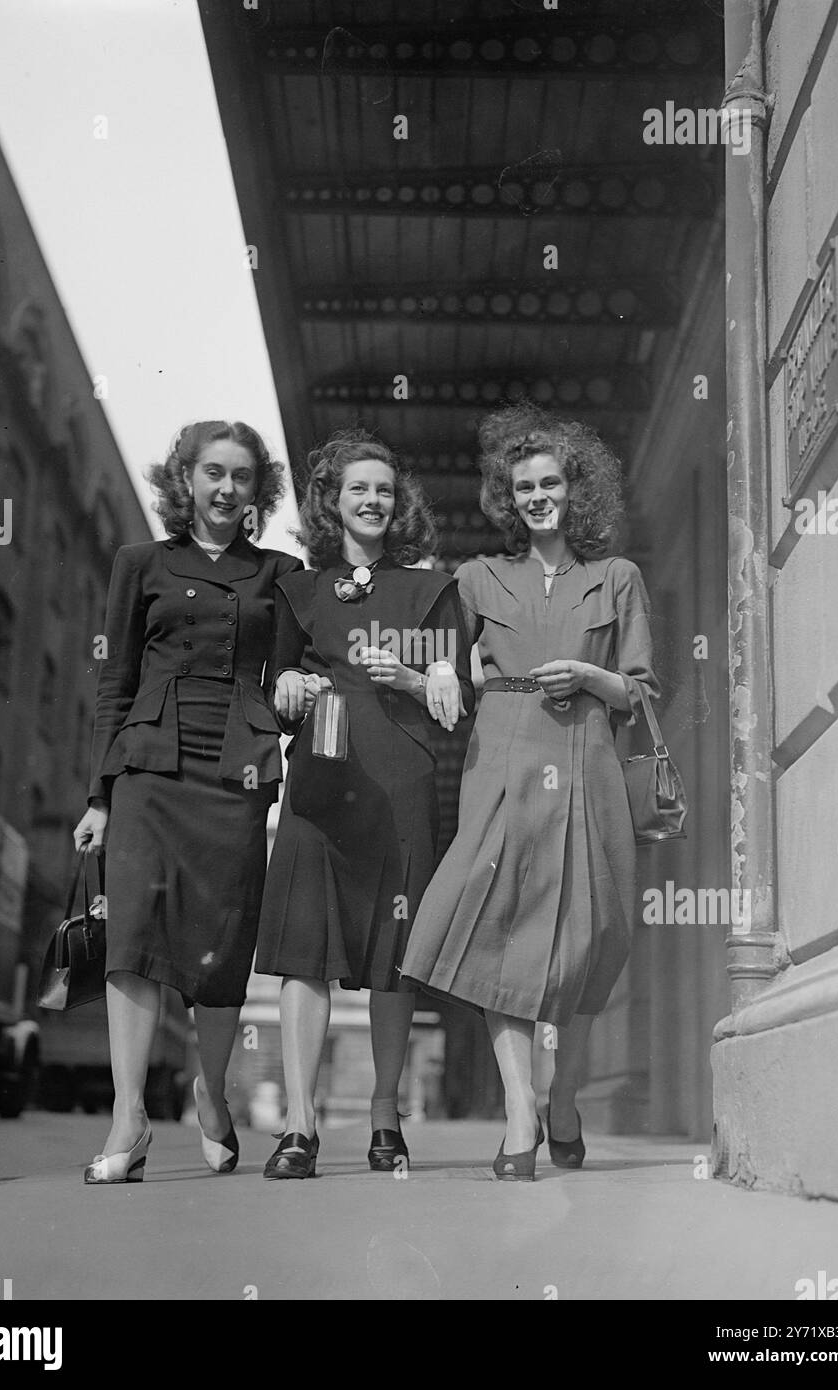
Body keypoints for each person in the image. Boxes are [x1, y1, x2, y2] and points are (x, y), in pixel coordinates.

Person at [401, 404, 660, 1180]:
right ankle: (520, 1113)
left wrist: (590, 675)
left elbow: (643, 690)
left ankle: (565, 1094)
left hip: (587, 758)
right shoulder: (479, 576)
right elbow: (438, 649)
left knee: (589, 939)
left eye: (550, 482)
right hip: (504, 760)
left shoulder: (617, 578)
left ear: (575, 490)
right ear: (506, 498)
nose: (537, 496)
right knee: (495, 928)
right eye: (523, 486)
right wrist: (446, 667)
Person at [72, 420, 301, 1184]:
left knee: (222, 938)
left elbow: (293, 684)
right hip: (148, 768)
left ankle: (210, 1085)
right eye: (213, 473)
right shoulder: (140, 563)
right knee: (132, 932)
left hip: (236, 770)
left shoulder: (280, 571)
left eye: (242, 476)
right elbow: (115, 683)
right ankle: (128, 1117)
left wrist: (301, 693)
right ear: (186, 480)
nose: (227, 489)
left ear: (257, 492)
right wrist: (101, 795)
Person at [254, 430, 474, 1178]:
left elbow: (455, 698)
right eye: (358, 489)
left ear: (397, 503)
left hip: (399, 784)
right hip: (319, 781)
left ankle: (386, 1115)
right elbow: (275, 687)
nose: (372, 500)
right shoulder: (297, 590)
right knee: (303, 950)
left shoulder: (431, 589)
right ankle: (299, 1124)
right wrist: (286, 691)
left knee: (392, 955)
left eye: (383, 489)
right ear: (332, 502)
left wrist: (420, 679)